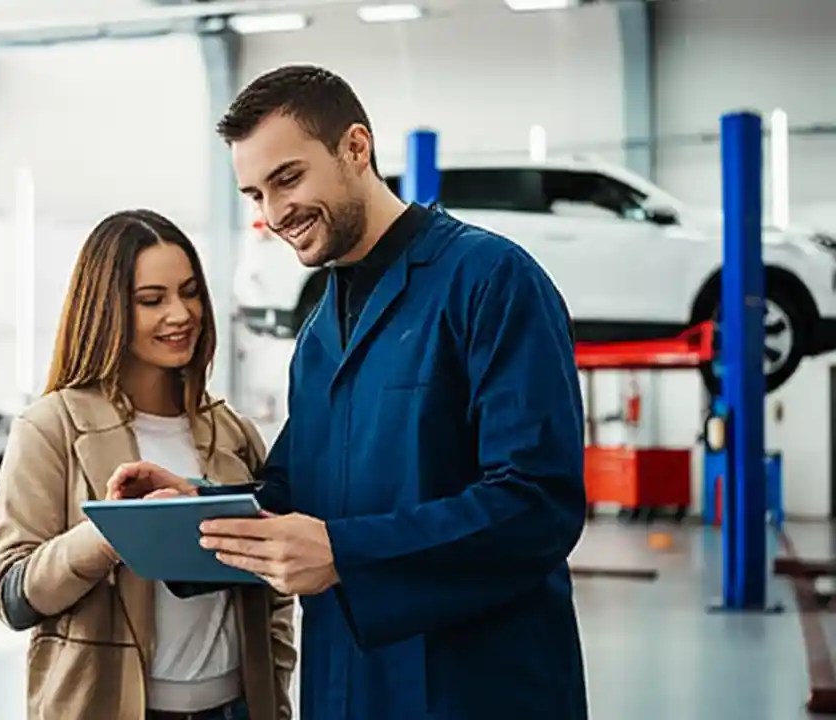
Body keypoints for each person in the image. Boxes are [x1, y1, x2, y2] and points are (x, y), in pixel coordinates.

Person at [107, 65, 588, 719]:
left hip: (476, 683)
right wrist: (191, 508)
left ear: (355, 148)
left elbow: (537, 504)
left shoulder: (490, 281)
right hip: (348, 684)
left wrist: (345, 553)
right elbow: (294, 497)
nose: (275, 214)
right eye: (255, 195)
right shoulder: (318, 335)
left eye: (288, 178)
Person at [0, 209, 296, 720]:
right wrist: (113, 534)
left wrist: (274, 687)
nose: (181, 314)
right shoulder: (50, 428)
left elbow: (271, 589)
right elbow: (13, 596)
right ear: (106, 309)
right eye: (152, 300)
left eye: (190, 291)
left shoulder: (233, 432)